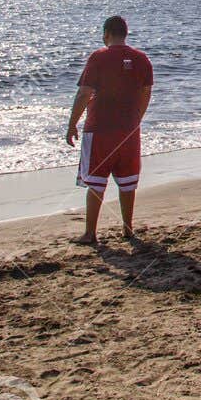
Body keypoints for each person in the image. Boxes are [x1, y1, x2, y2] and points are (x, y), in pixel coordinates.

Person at [67, 15, 153, 244]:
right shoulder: (142, 59)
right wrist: (136, 119)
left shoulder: (99, 57)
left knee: (95, 182)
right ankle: (127, 228)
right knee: (127, 181)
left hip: (100, 128)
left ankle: (90, 233)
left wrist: (71, 124)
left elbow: (84, 93)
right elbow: (146, 94)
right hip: (129, 131)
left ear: (106, 33)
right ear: (125, 33)